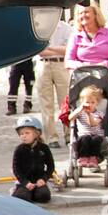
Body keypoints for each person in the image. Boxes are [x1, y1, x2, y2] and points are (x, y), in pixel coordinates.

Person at [66, 0, 108, 144]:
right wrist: (83, 65)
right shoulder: (75, 37)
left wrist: (103, 64)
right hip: (82, 82)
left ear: (95, 14)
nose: (83, 15)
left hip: (105, 80)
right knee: (79, 109)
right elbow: (68, 61)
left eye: (86, 12)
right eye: (80, 13)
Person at [36, 12, 73, 147]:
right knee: (46, 103)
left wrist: (49, 48)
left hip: (61, 64)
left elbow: (69, 49)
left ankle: (69, 134)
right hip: (43, 64)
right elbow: (38, 50)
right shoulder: (39, 28)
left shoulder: (66, 28)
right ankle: (51, 137)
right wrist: (58, 49)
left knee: (66, 100)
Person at [11, 115, 55, 204]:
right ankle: (20, 191)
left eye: (27, 133)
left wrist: (43, 179)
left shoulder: (44, 148)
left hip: (39, 181)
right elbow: (16, 169)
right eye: (21, 134)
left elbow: (51, 166)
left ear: (36, 134)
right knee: (21, 198)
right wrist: (25, 183)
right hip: (24, 182)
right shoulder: (19, 149)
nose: (24, 136)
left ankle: (34, 193)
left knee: (44, 196)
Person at [72, 85, 107, 167]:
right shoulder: (80, 112)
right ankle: (83, 157)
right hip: (83, 136)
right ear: (82, 102)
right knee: (85, 138)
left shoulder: (99, 114)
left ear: (97, 103)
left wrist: (88, 114)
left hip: (96, 136)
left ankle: (93, 158)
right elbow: (70, 118)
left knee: (96, 139)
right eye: (87, 102)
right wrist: (80, 109)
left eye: (92, 102)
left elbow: (93, 123)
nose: (90, 104)